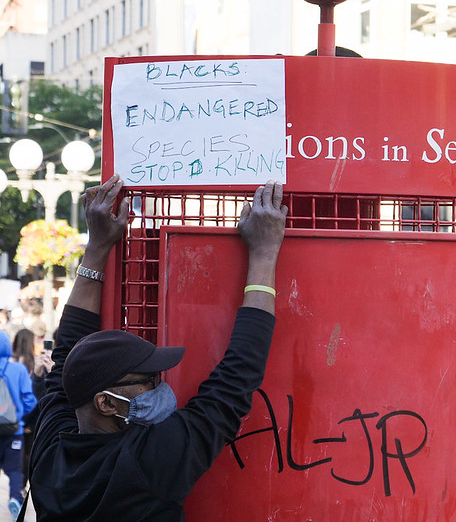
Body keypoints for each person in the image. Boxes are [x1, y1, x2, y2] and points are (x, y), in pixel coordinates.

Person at [28, 175, 288, 521]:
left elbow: (66, 358)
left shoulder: (51, 449)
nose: (161, 386)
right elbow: (234, 383)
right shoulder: (148, 462)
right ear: (105, 402)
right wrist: (265, 253)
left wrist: (97, 248)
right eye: (149, 380)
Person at [0, 329, 37, 519]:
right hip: (14, 430)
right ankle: (15, 497)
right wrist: (19, 415)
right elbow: (30, 400)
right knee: (15, 469)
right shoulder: (18, 370)